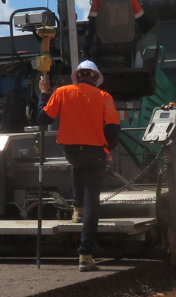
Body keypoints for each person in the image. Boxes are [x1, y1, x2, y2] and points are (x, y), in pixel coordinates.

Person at [38, 61, 120, 272]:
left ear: (77, 77)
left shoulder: (62, 92)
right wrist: (107, 148)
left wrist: (43, 94)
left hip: (71, 151)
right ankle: (85, 254)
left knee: (77, 167)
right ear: (95, 78)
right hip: (95, 152)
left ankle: (77, 209)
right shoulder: (104, 97)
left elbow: (43, 119)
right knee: (93, 200)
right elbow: (113, 130)